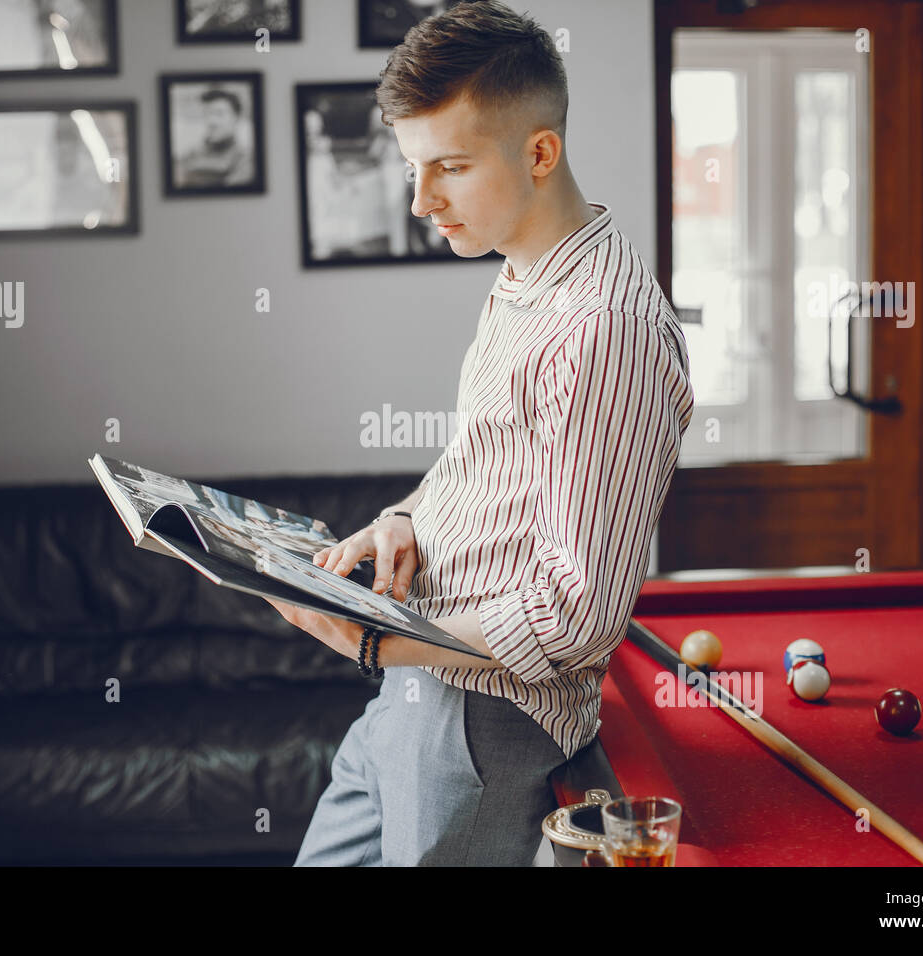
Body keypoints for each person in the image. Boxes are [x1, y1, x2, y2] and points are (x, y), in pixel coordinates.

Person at [265, 0, 695, 866]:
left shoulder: (604, 328)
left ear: (540, 153)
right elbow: (480, 466)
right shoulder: (523, 278)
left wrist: (375, 638)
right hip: (413, 684)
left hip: (482, 721)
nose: (423, 200)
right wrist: (408, 520)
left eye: (450, 168)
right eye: (415, 168)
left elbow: (579, 616)